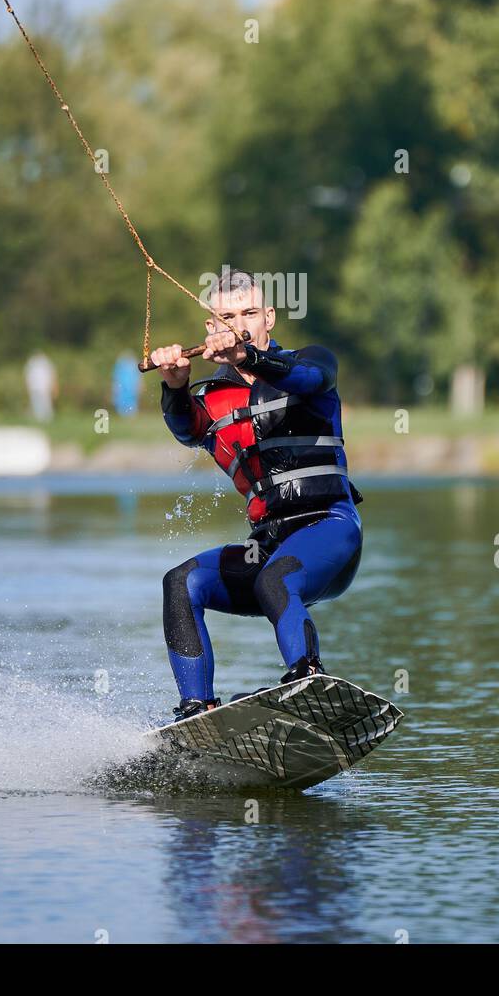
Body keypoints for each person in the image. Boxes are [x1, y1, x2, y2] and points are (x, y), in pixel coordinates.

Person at [150, 269, 363, 721]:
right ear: (210, 329)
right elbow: (186, 430)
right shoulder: (208, 398)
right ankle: (197, 710)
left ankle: (308, 679)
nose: (237, 324)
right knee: (181, 582)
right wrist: (174, 384)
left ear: (269, 318)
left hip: (330, 528)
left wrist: (247, 355)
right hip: (267, 542)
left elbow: (309, 379)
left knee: (275, 578)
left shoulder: (311, 362)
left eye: (248, 313)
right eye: (225, 317)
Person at [24, 351, 57, 422]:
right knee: (36, 405)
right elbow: (28, 377)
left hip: (44, 388)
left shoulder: (46, 363)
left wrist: (53, 387)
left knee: (46, 405)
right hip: (35, 388)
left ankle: (47, 420)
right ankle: (38, 419)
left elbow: (52, 375)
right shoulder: (31, 363)